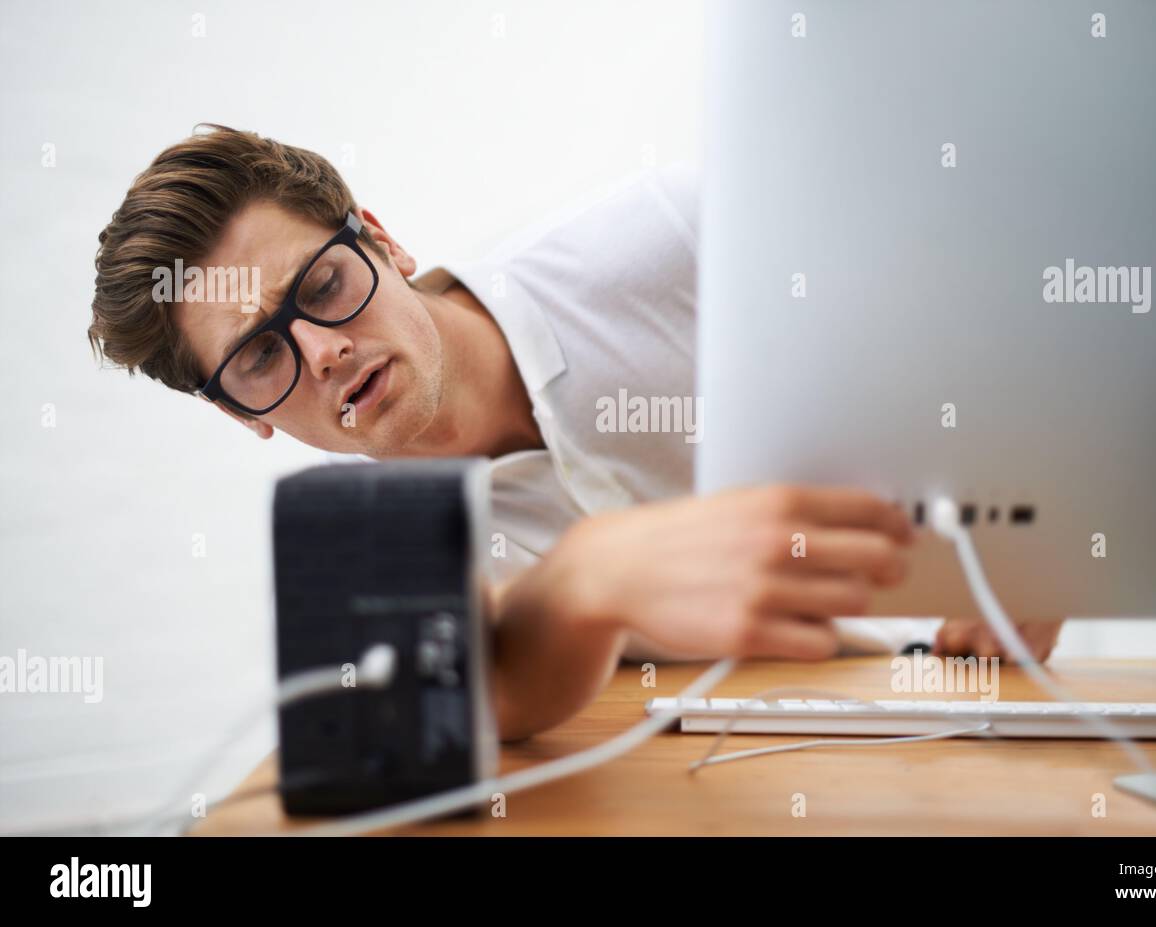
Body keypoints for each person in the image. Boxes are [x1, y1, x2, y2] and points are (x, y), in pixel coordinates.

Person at [88, 126, 1061, 739]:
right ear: (236, 413)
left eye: (323, 286)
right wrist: (589, 579)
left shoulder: (670, 235)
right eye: (261, 357)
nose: (324, 351)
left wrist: (1033, 522)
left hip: (965, 712)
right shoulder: (365, 532)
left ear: (379, 240)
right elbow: (479, 708)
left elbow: (977, 297)